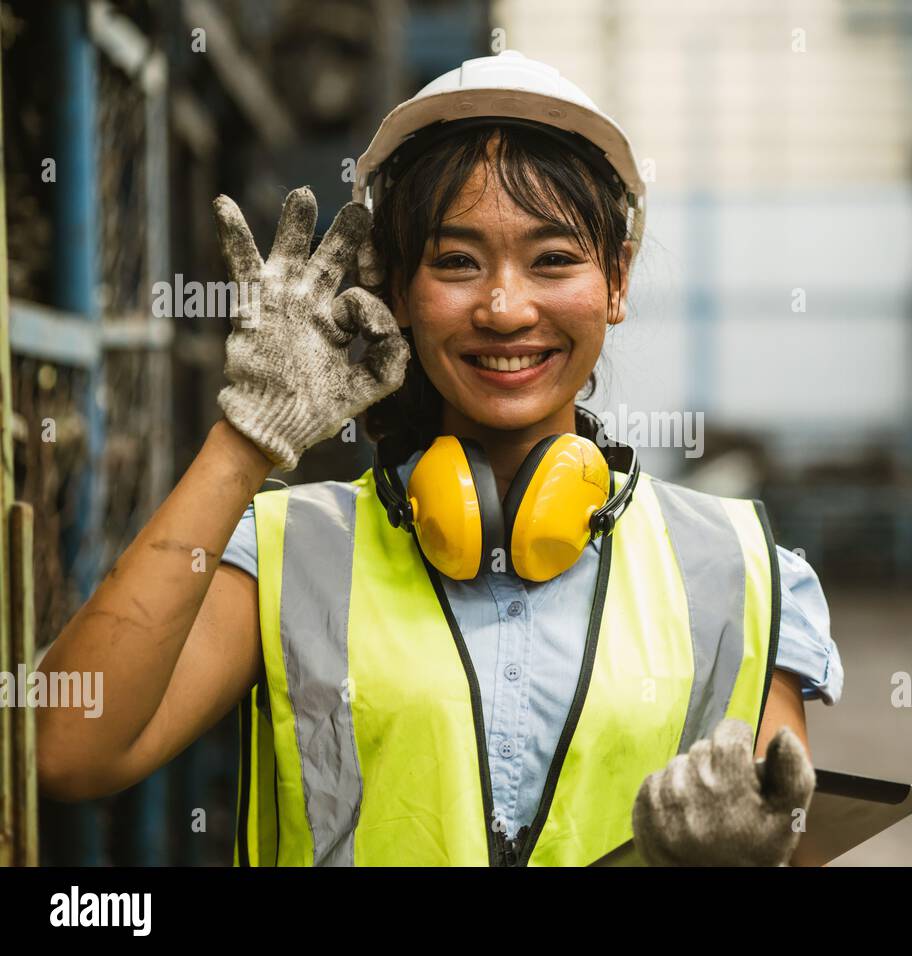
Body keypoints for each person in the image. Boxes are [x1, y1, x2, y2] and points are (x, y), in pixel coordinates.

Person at [36, 50, 843, 866]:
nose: (504, 307)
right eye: (457, 261)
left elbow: (792, 835)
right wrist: (250, 433)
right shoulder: (291, 556)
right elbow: (71, 748)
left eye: (554, 259)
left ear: (617, 279)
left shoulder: (735, 572)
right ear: (396, 288)